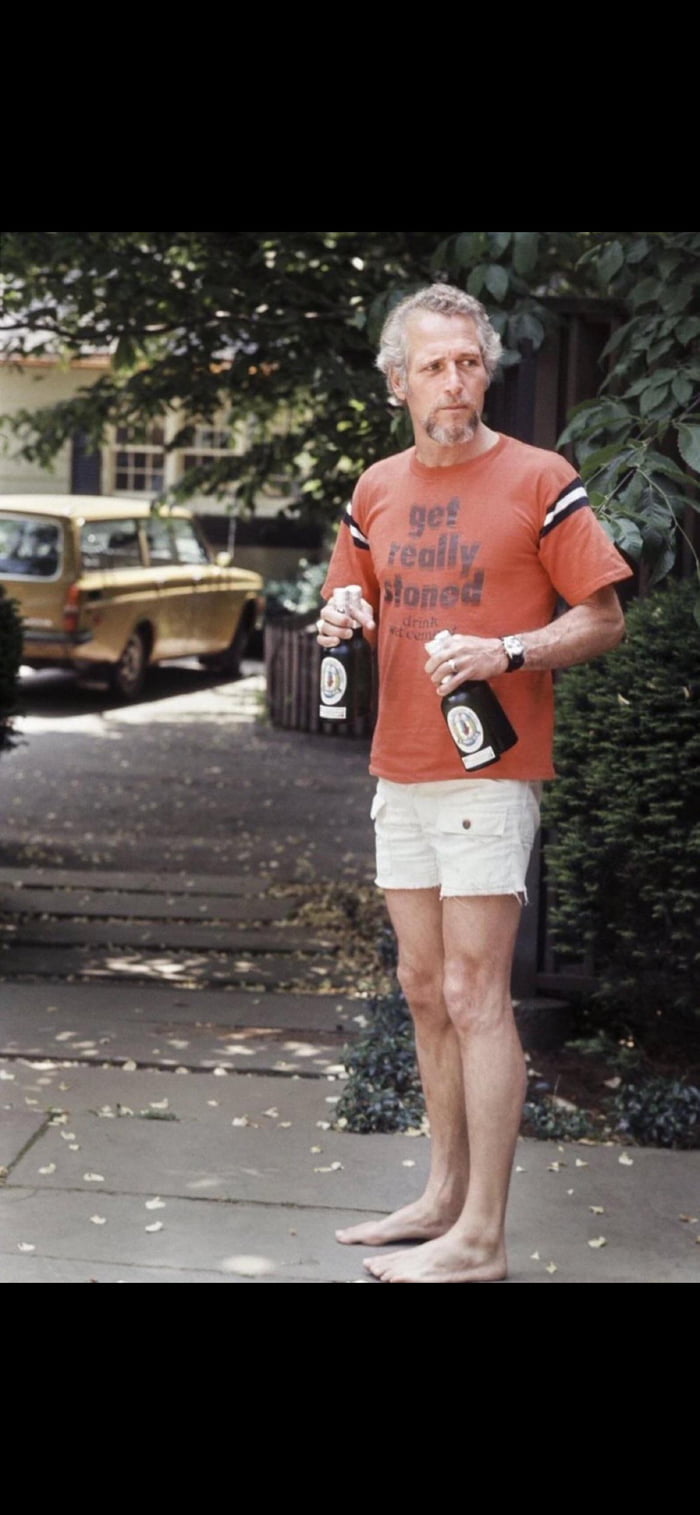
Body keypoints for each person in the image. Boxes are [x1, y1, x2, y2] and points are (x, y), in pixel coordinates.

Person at [317, 283, 632, 1283]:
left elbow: (603, 617)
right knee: (419, 990)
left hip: (489, 772)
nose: (455, 380)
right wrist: (339, 621)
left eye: (468, 361)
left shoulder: (539, 477)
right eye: (434, 364)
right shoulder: (375, 489)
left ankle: (483, 1240)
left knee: (472, 991)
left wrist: (507, 650)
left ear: (483, 370)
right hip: (396, 766)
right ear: (396, 380)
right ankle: (442, 1198)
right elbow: (346, 599)